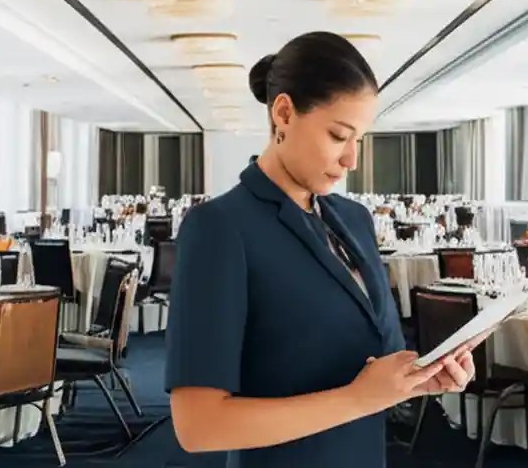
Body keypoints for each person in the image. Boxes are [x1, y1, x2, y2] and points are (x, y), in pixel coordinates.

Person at [166, 31, 476, 467]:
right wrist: (357, 399)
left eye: (359, 140)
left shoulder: (354, 219)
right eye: (337, 135)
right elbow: (198, 427)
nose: (352, 160)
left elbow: (370, 362)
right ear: (284, 113)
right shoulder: (219, 228)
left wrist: (421, 378)